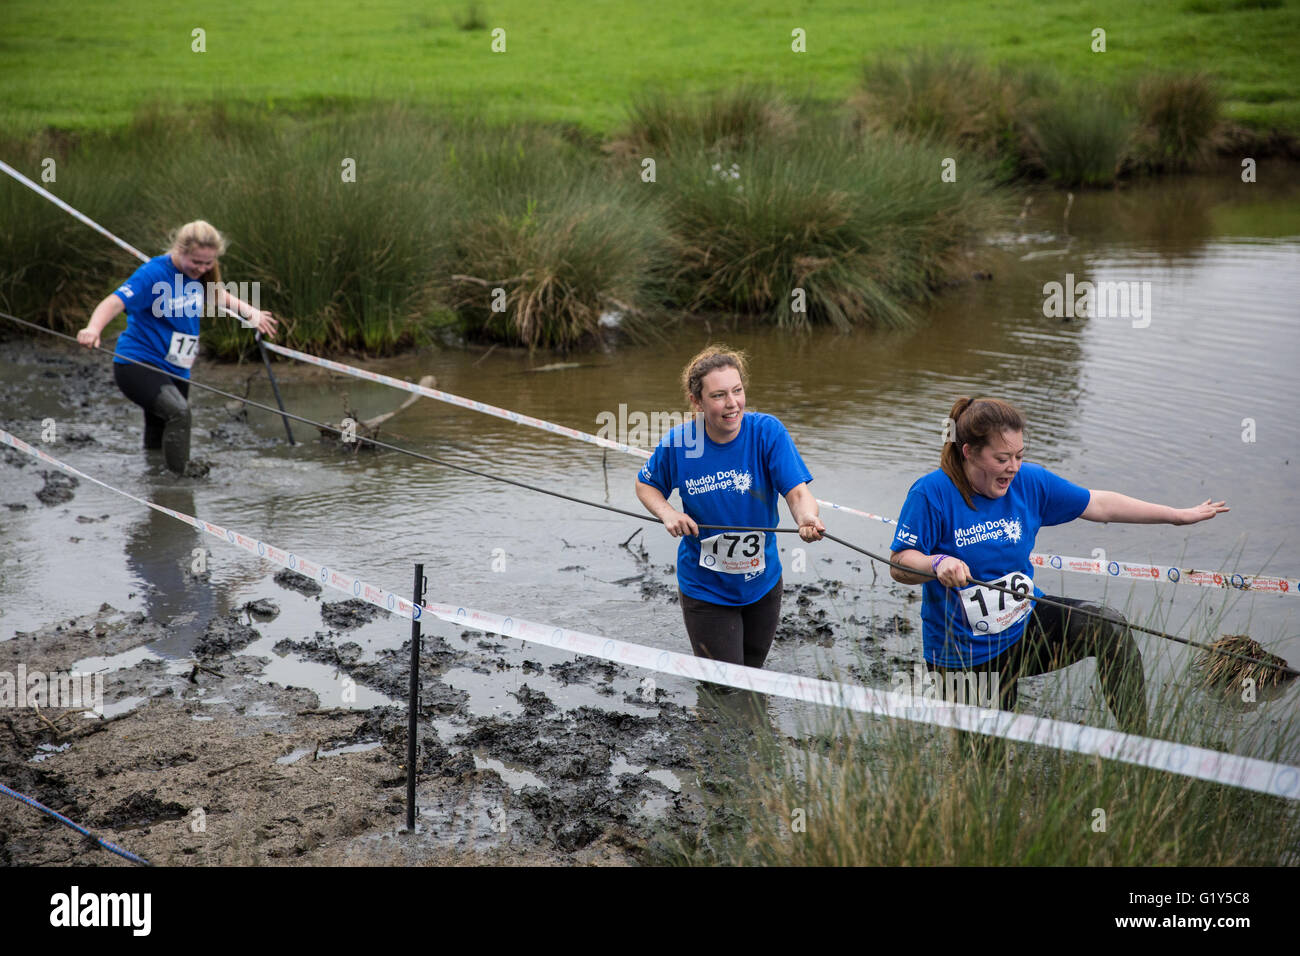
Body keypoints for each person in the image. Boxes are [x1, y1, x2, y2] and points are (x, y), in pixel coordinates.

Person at [889, 396, 1228, 736]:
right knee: (985, 766)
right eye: (1002, 458)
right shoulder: (931, 493)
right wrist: (936, 562)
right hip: (961, 654)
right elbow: (900, 563)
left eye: (1019, 456)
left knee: (1108, 628)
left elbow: (1099, 504)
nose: (1013, 467)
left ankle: (1140, 743)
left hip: (1022, 631)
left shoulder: (1029, 483)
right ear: (969, 453)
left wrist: (1176, 517)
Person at [635, 345, 825, 671]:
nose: (732, 403)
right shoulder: (681, 443)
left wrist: (807, 517)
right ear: (697, 401)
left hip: (763, 583)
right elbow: (646, 484)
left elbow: (797, 493)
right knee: (724, 690)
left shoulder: (767, 432)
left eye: (737, 391)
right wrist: (668, 513)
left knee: (752, 678)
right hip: (705, 588)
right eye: (719, 395)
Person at [76, 221, 275, 474]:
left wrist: (251, 313)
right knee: (180, 414)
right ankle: (181, 483)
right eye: (196, 262)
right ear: (179, 250)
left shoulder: (201, 275)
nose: (201, 268)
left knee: (160, 428)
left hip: (178, 366)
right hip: (138, 363)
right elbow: (114, 302)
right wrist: (93, 329)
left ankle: (156, 486)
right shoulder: (153, 273)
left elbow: (217, 295)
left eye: (208, 263)